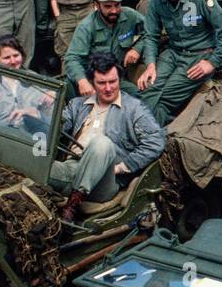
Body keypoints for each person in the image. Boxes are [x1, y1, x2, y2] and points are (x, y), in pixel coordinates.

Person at [52, 54, 166, 222]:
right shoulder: (77, 104)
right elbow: (58, 125)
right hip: (73, 167)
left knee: (102, 143)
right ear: (92, 83)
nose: (108, 88)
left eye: (113, 82)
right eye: (102, 83)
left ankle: (72, 207)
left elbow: (156, 141)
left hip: (105, 180)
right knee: (39, 164)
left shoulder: (134, 109)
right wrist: (43, 112)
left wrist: (123, 166)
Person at [136, 0, 222, 126]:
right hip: (173, 53)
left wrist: (212, 63)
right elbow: (151, 36)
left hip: (199, 56)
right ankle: (141, 127)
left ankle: (149, 136)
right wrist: (151, 64)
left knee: (166, 96)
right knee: (149, 87)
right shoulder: (155, 0)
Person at [64, 0, 146, 98]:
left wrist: (137, 49)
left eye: (117, 5)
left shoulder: (130, 16)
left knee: (140, 97)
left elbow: (150, 32)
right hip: (93, 80)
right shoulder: (87, 27)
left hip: (116, 78)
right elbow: (72, 59)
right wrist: (82, 81)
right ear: (97, 5)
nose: (114, 10)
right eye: (108, 6)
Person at [0, 35, 55, 131]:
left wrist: (53, 94)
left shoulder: (33, 78)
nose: (13, 61)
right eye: (6, 58)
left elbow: (50, 119)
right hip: (1, 136)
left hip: (32, 136)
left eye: (16, 55)